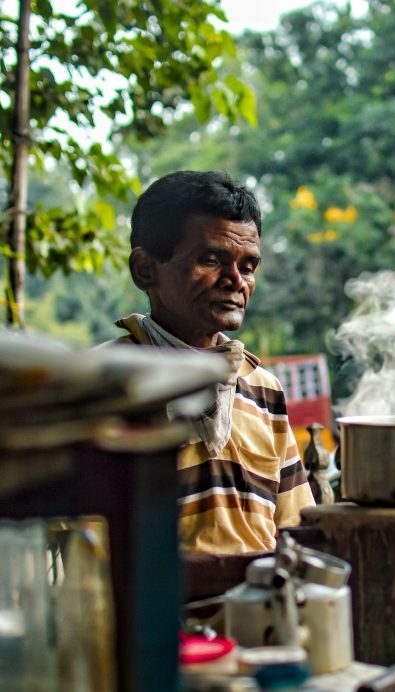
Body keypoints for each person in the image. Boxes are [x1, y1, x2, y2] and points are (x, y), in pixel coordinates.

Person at [113, 170, 314, 556]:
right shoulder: (103, 384)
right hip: (151, 615)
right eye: (211, 259)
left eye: (249, 267)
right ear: (145, 269)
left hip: (260, 611)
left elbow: (296, 528)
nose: (236, 281)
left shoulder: (263, 389)